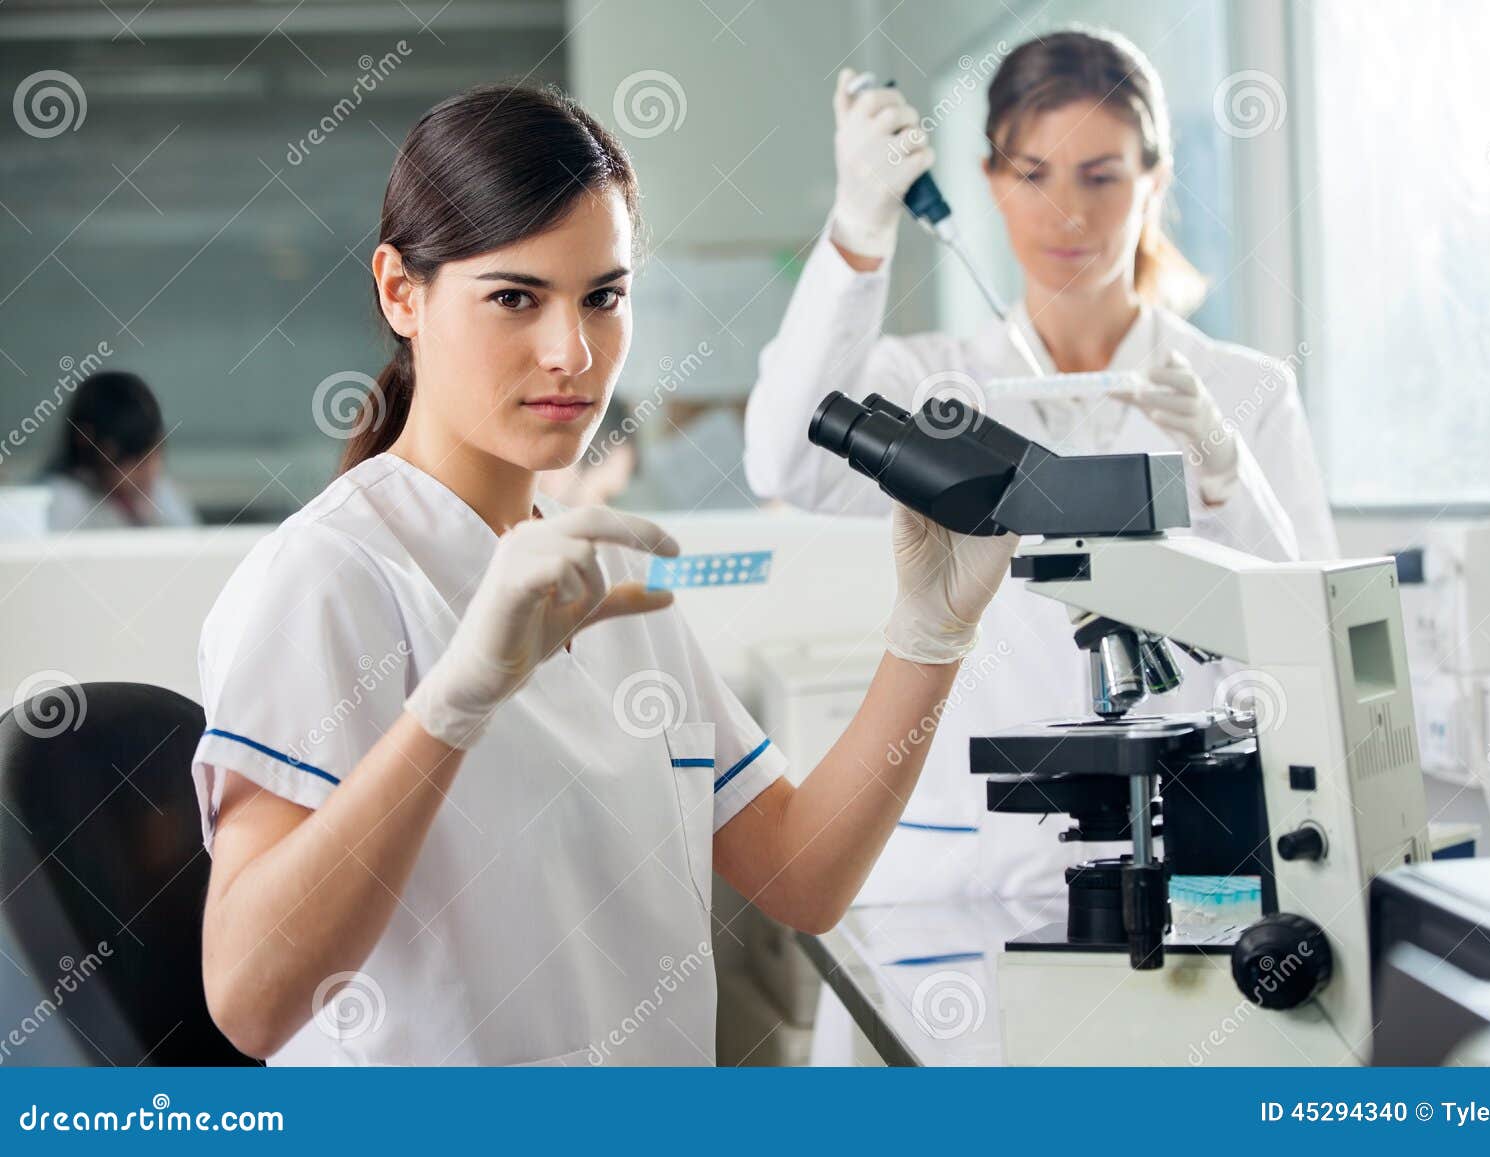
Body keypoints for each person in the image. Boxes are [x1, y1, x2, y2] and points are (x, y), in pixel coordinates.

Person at [190, 83, 1016, 1067]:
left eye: (603, 297)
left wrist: (927, 634)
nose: (571, 352)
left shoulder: (609, 567)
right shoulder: (332, 574)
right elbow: (249, 996)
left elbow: (799, 873)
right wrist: (454, 702)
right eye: (513, 296)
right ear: (400, 291)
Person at [744, 29, 1338, 911]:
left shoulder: (1243, 391)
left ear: (1155, 180)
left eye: (1101, 175)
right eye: (1034, 174)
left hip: (1199, 857)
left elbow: (1313, 638)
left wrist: (1226, 479)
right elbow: (785, 460)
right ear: (989, 180)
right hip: (974, 863)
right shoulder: (934, 383)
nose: (1068, 213)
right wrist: (858, 232)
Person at [39, 370, 198, 530]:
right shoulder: (62, 501)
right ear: (86, 441)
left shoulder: (159, 494)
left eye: (156, 453)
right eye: (137, 459)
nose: (151, 471)